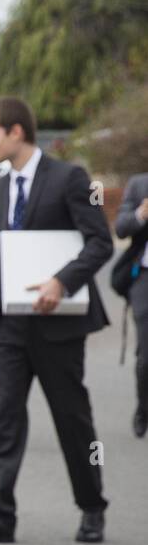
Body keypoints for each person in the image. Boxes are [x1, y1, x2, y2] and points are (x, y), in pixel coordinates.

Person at [0, 96, 112, 545]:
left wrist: (61, 282)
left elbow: (99, 243)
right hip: (9, 327)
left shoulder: (69, 178)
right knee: (3, 417)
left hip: (59, 325)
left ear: (15, 132)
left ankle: (92, 507)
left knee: (72, 417)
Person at [116, 172, 148, 437]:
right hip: (144, 278)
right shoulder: (139, 184)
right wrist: (141, 214)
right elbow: (121, 227)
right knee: (146, 355)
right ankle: (144, 406)